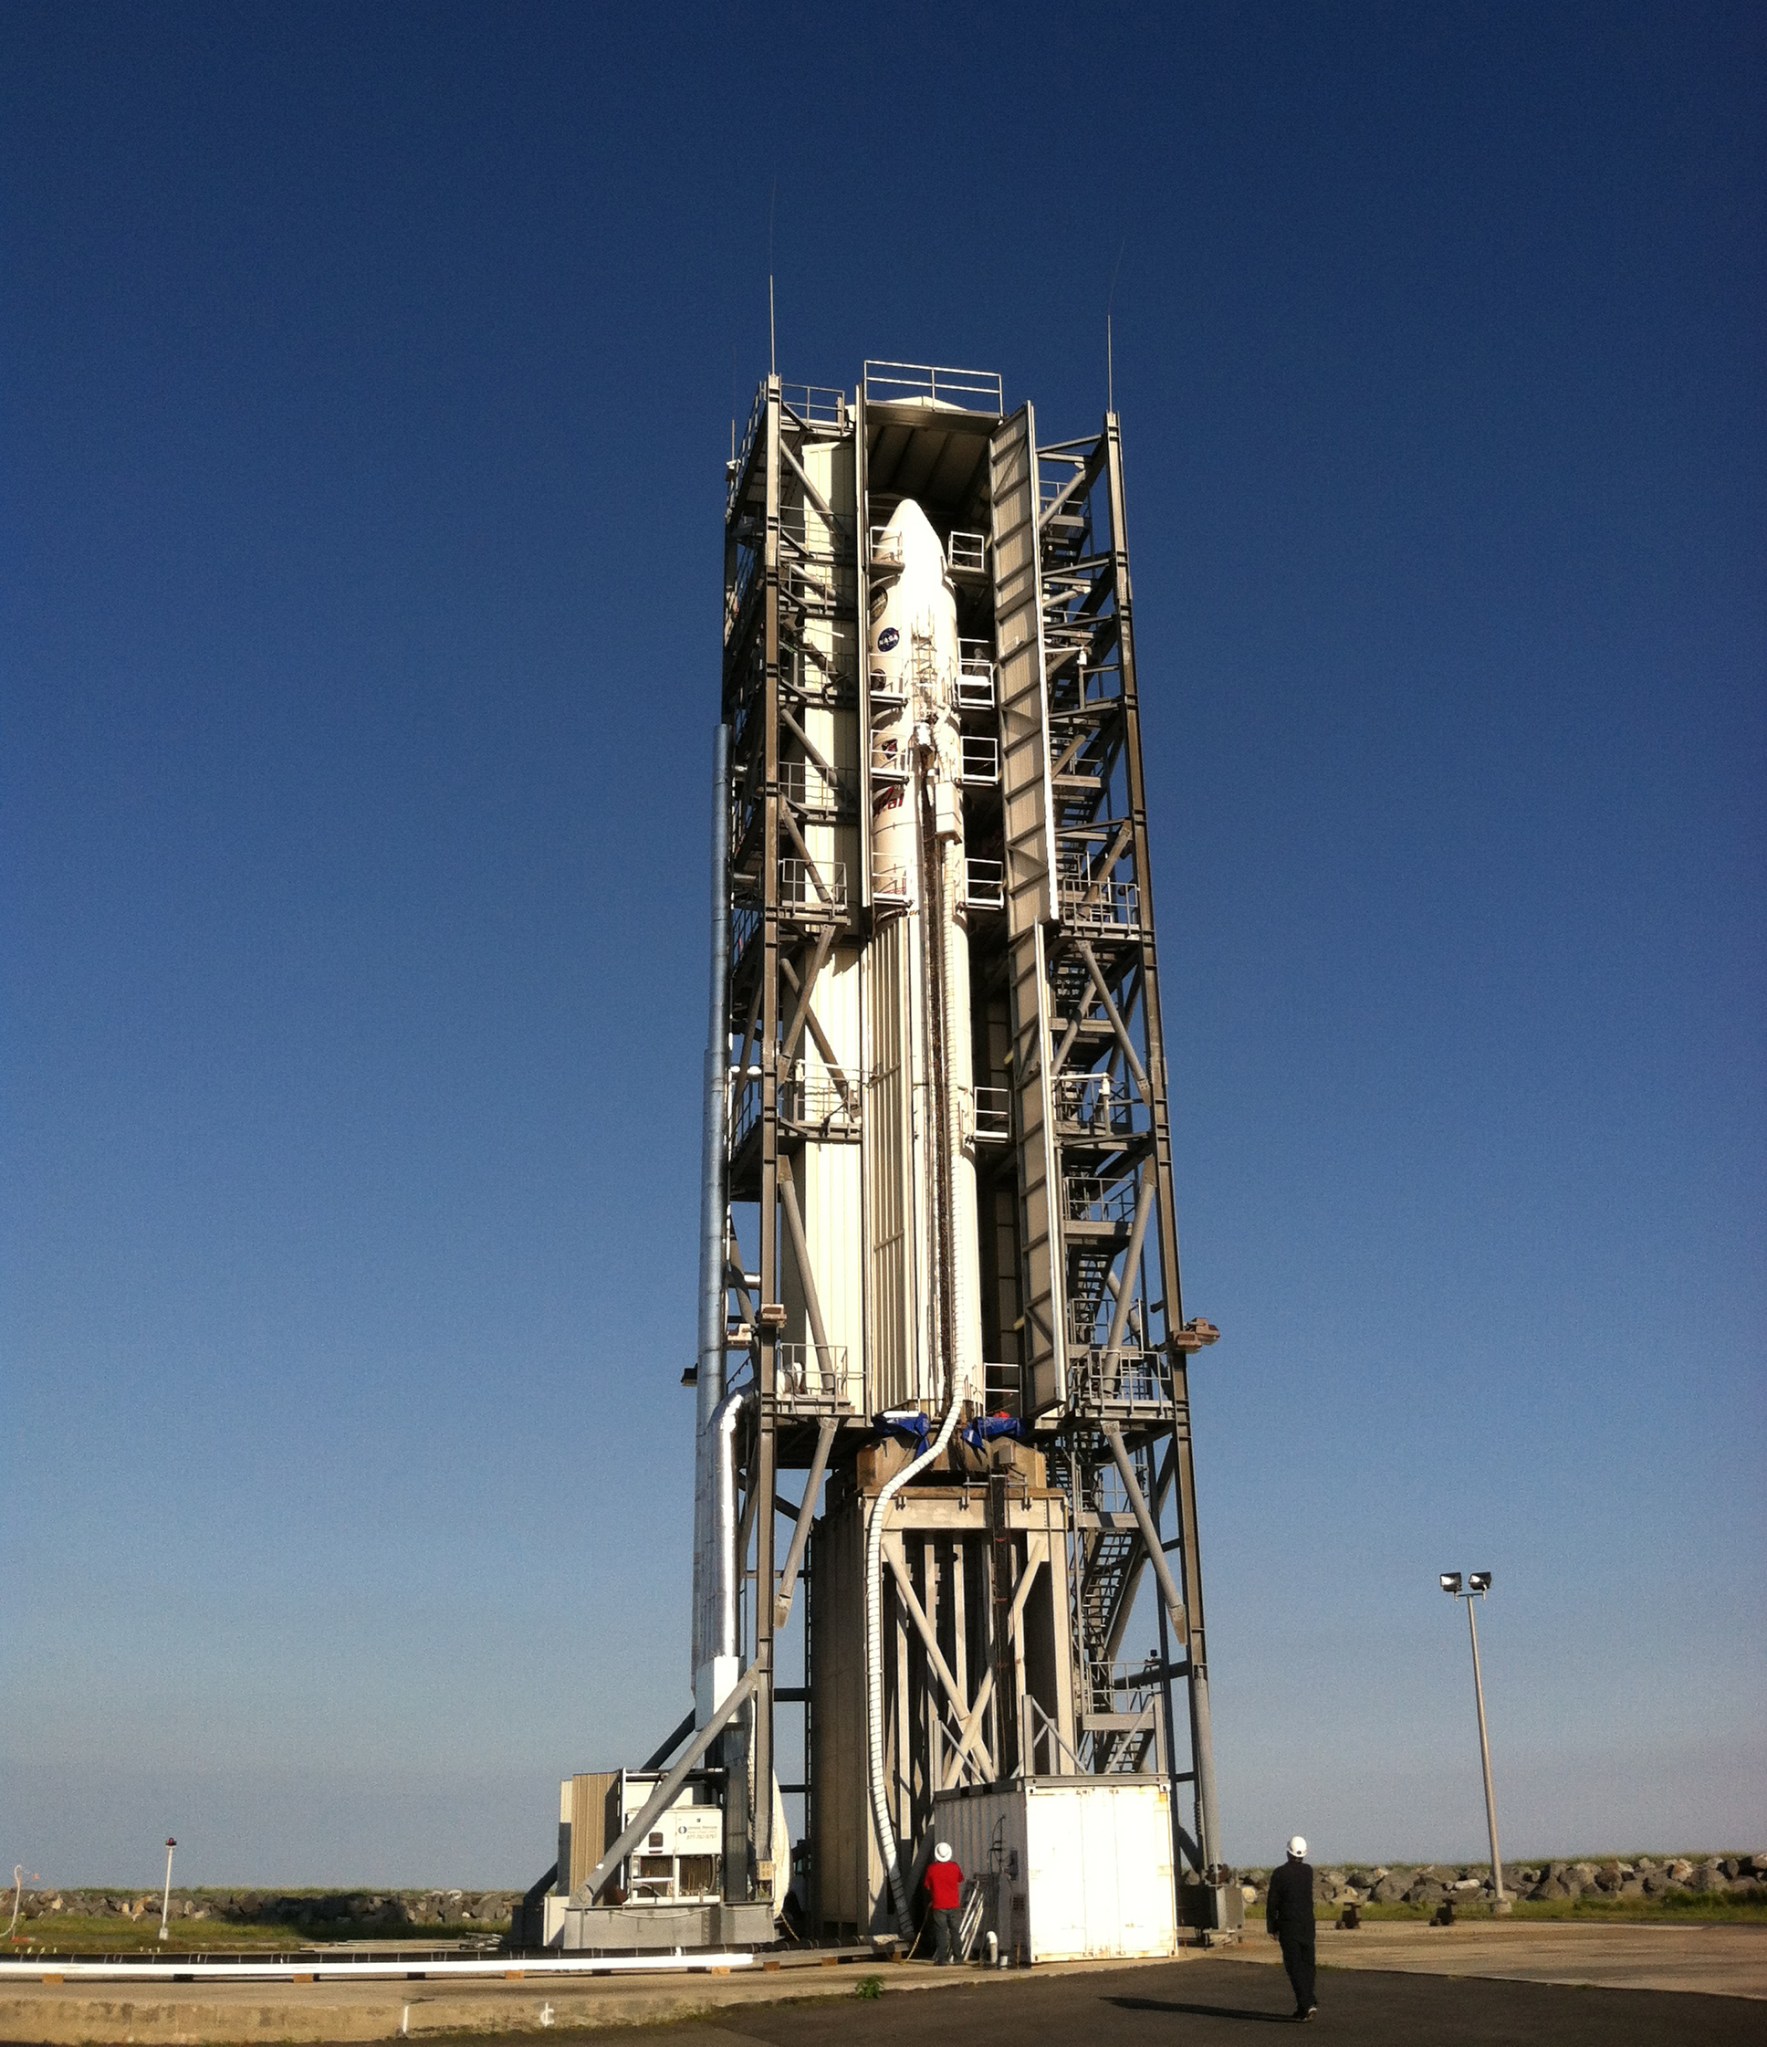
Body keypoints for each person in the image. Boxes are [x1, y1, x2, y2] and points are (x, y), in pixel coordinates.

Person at [1265, 1834, 1318, 2021]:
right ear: (1303, 1854)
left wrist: (1271, 1925)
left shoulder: (1280, 1873)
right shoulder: (1308, 1871)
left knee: (1294, 1966)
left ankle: (1307, 2003)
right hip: (1307, 1925)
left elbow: (1273, 1901)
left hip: (1289, 1926)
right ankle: (1304, 2006)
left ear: (1288, 1852)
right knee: (1308, 1965)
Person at [923, 1841, 964, 1964]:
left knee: (941, 1932)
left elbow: (927, 1886)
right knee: (955, 1931)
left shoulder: (931, 1869)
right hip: (954, 1904)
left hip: (938, 1904)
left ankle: (942, 1959)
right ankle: (958, 1958)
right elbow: (960, 1879)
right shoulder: (955, 1867)